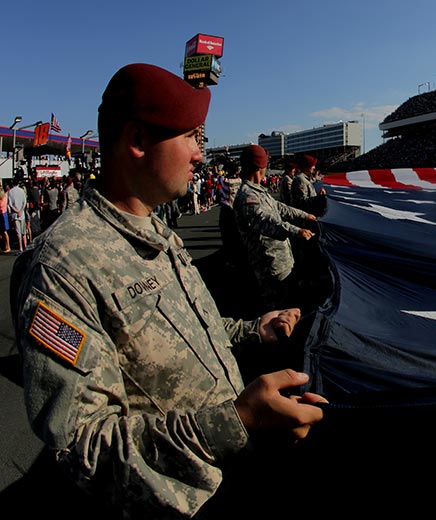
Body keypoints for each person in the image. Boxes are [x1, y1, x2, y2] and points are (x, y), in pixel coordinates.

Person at [12, 62, 327, 518]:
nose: (200, 155)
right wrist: (237, 422)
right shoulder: (61, 267)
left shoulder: (158, 231)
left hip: (231, 476)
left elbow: (189, 330)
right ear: (137, 141)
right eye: (189, 138)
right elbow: (83, 448)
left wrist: (252, 330)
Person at [234, 144, 318, 313]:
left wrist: (304, 215)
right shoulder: (248, 196)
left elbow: (280, 208)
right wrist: (296, 231)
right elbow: (266, 222)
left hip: (279, 262)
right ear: (260, 166)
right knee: (277, 312)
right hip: (269, 267)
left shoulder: (258, 191)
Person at [7, 178, 28, 252]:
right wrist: (21, 210)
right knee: (23, 231)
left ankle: (20, 248)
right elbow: (25, 202)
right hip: (22, 214)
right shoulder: (22, 191)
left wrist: (16, 211)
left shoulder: (10, 192)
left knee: (18, 232)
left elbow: (10, 204)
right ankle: (25, 246)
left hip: (15, 215)